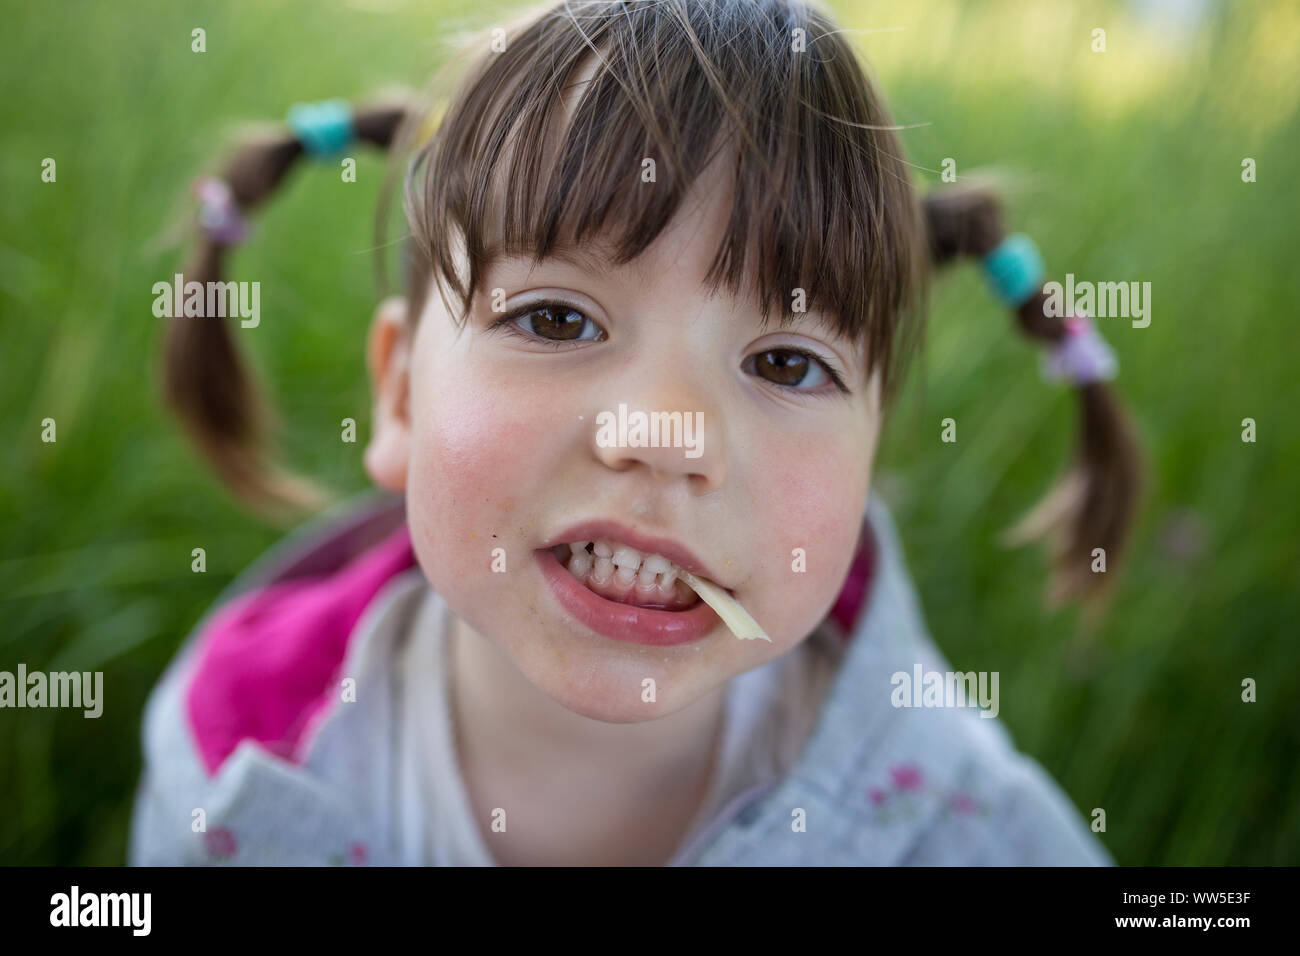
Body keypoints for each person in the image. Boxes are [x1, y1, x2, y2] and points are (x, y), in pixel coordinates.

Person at [131, 0, 1139, 866]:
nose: (666, 436)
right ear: (399, 394)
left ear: (869, 453)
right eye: (556, 319)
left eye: (787, 363)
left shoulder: (963, 830)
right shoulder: (229, 776)